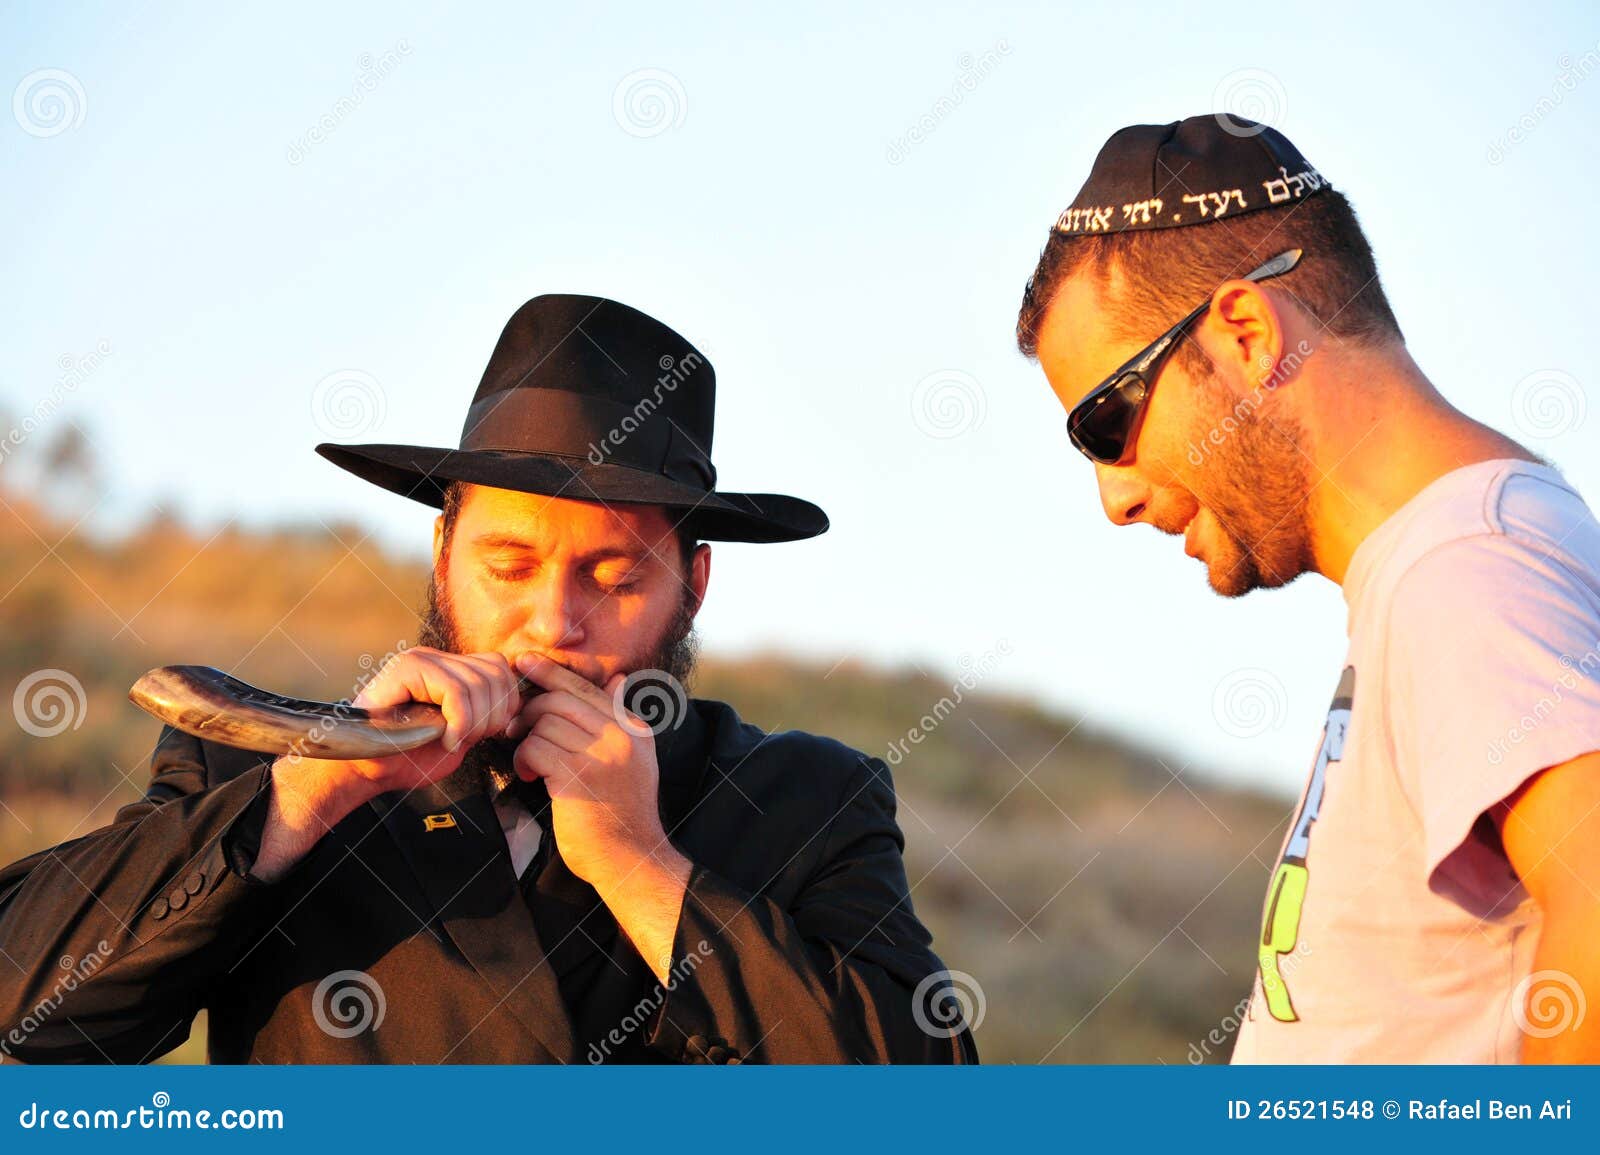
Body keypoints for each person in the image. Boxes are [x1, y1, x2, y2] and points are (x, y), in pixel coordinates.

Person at [0, 294, 975, 1065]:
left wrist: (644, 868)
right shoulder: (262, 766)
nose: (552, 620)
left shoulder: (804, 801)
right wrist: (306, 794)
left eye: (615, 576)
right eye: (508, 566)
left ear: (695, 584)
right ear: (442, 554)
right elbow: (28, 1019)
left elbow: (920, 1099)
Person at [1015, 115, 1600, 1062]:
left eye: (1106, 421)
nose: (1113, 495)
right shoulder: (1433, 573)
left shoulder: (1466, 570)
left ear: (1246, 332)